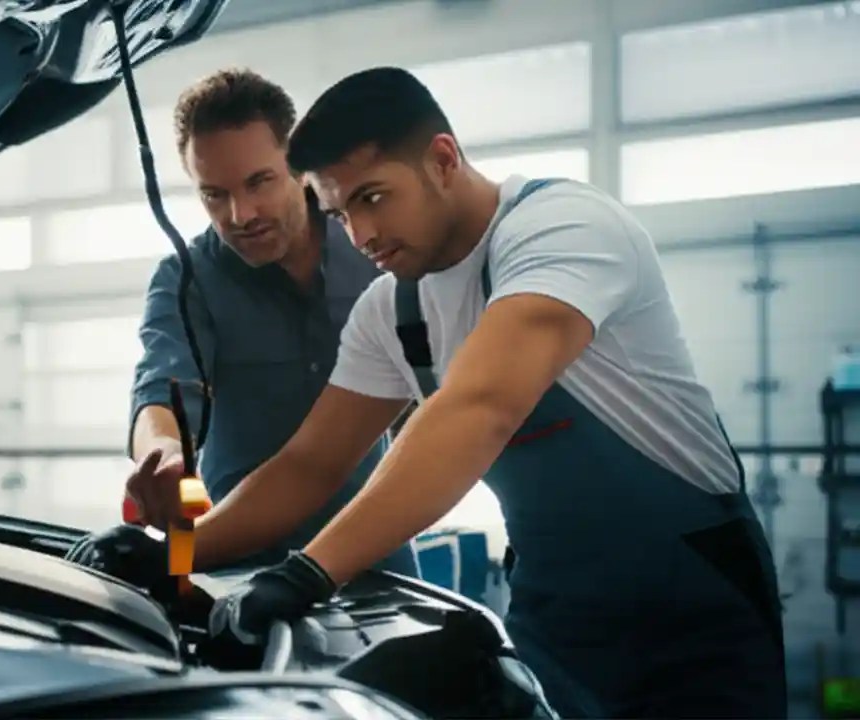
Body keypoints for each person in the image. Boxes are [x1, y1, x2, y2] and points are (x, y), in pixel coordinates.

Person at [86, 66, 788, 719]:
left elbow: (479, 409)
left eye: (373, 198)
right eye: (339, 212)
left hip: (692, 597)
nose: (359, 234)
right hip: (553, 604)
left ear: (444, 160)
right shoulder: (392, 309)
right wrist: (178, 554)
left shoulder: (563, 229)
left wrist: (305, 574)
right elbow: (310, 465)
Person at [66, 68, 419, 580]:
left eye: (259, 182)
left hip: (376, 559)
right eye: (214, 194)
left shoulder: (373, 250)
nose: (240, 213)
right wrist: (164, 455)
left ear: (298, 166)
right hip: (230, 566)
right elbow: (163, 393)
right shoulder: (188, 278)